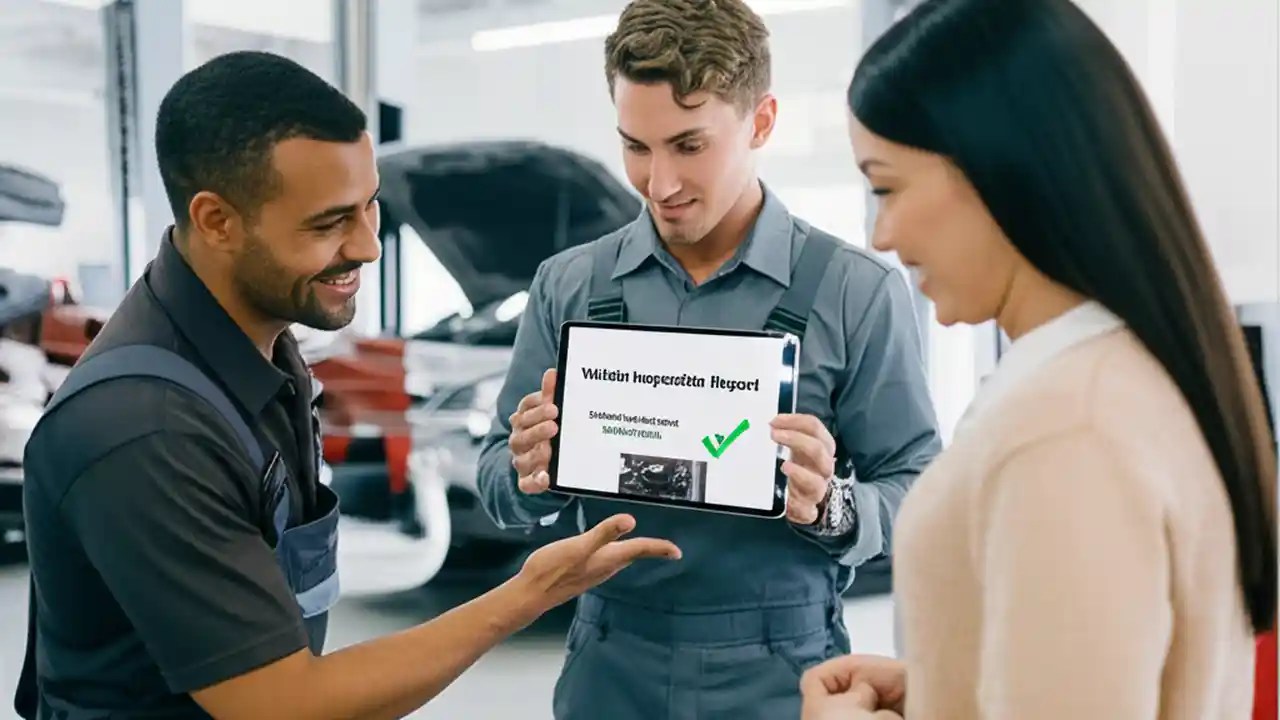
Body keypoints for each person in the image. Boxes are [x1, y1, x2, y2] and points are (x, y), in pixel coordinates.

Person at [14, 50, 680, 720]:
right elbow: (286, 704)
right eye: (329, 223)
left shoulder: (262, 352)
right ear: (217, 221)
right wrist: (529, 592)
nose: (369, 246)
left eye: (370, 209)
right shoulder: (142, 427)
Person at [799, 0, 1278, 718]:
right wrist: (946, 684)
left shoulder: (1066, 425)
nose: (883, 235)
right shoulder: (1117, 376)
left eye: (888, 187)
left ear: (1000, 166)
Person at [475, 1, 942, 717]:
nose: (659, 183)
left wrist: (835, 506)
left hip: (785, 674)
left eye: (689, 146)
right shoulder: (568, 285)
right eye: (636, 146)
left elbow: (917, 487)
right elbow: (498, 482)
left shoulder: (856, 290)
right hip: (608, 668)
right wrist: (529, 471)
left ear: (761, 122)